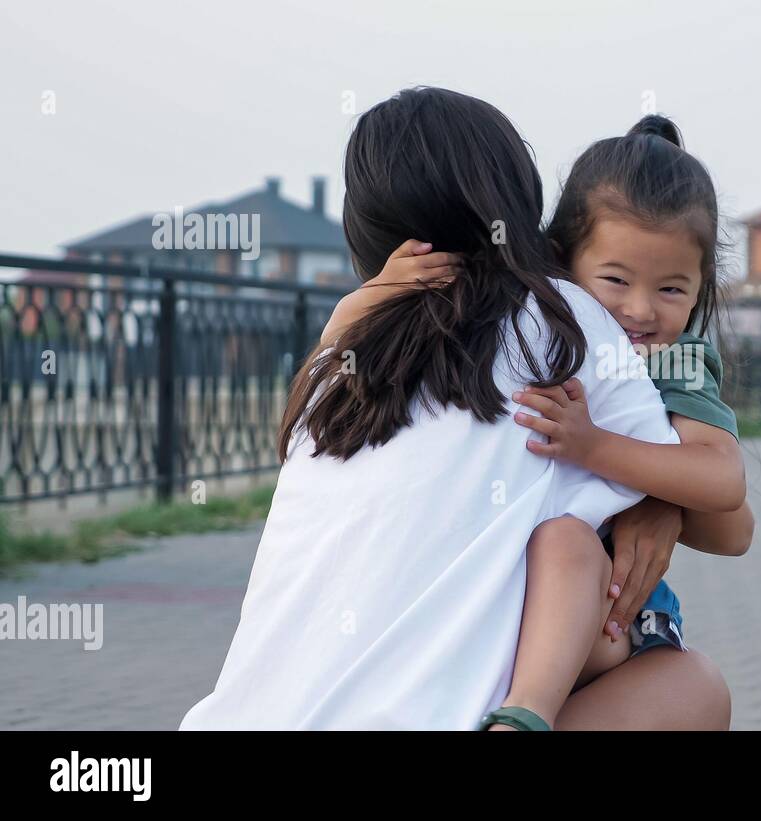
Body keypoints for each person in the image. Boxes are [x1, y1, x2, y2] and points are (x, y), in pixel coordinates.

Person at [178, 87, 723, 730]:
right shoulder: (565, 320)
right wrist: (662, 499)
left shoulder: (336, 363)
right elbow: (726, 515)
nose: (635, 306)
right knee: (691, 686)